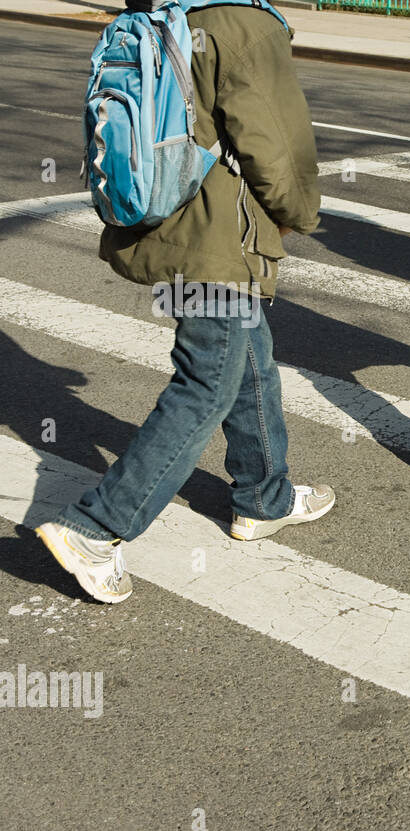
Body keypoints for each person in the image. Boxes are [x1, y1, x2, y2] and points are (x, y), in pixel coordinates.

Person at [37, 0, 331, 605]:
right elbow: (276, 142)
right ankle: (95, 526)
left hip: (170, 222)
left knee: (249, 362)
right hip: (219, 239)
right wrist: (299, 213)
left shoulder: (170, 17)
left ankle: (263, 497)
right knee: (206, 384)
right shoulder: (244, 26)